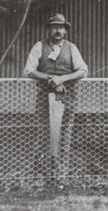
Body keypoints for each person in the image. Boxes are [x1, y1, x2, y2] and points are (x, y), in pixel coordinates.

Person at [23, 13, 89, 183]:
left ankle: (61, 177)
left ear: (65, 31)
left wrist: (63, 79)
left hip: (67, 98)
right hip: (44, 98)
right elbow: (29, 71)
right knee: (45, 136)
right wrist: (49, 78)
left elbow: (83, 71)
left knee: (64, 137)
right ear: (49, 29)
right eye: (54, 27)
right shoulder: (39, 46)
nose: (58, 31)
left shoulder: (71, 48)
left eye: (61, 28)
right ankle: (44, 176)